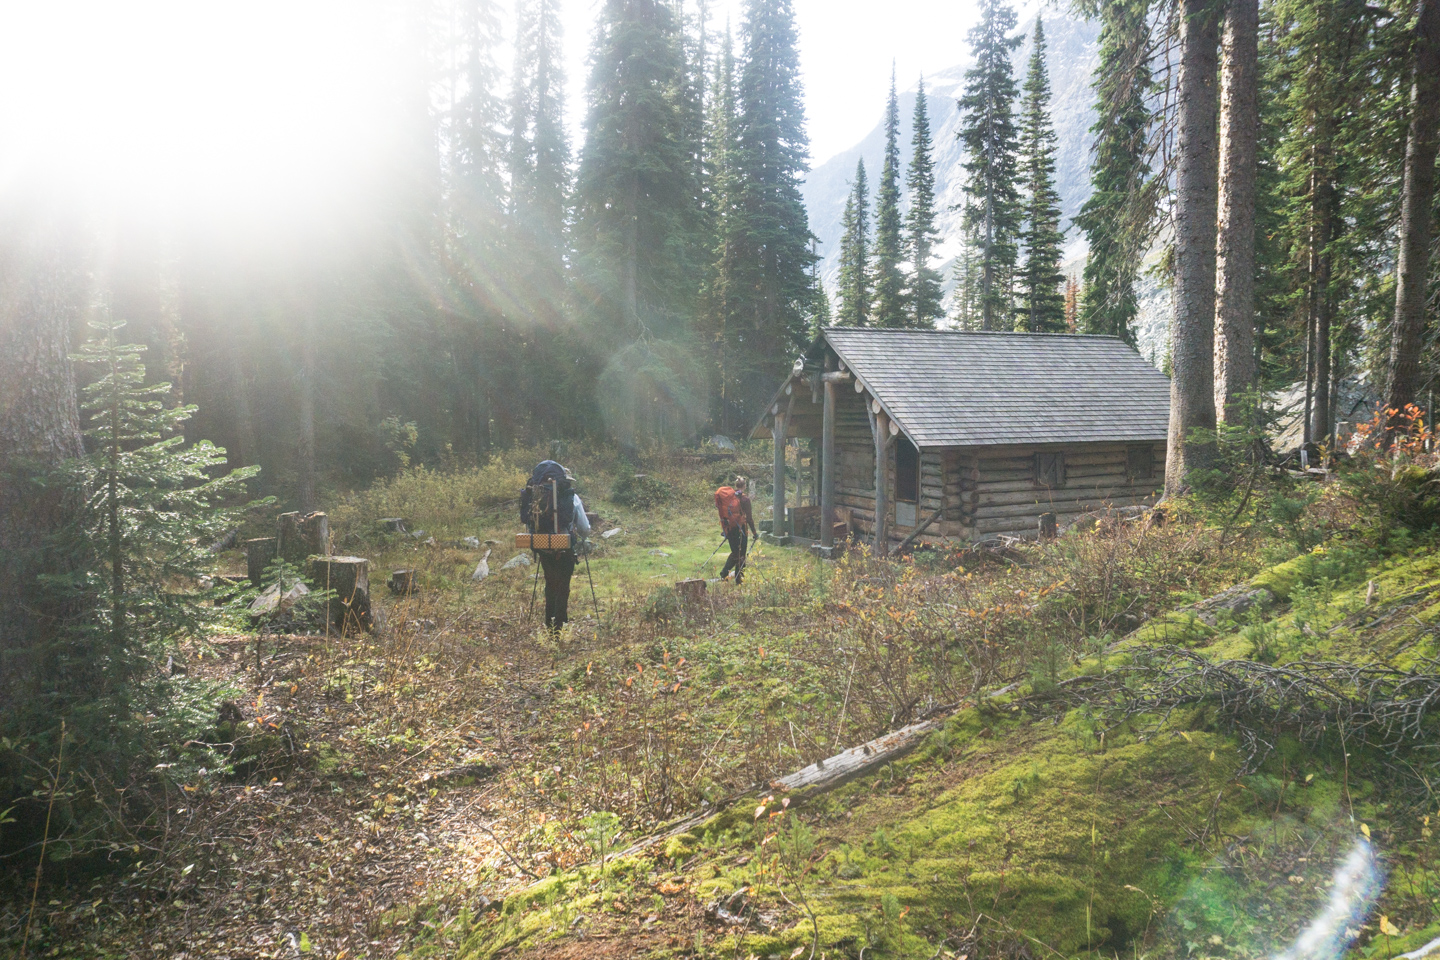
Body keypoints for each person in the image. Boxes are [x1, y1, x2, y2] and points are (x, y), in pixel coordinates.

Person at [519, 460, 591, 633]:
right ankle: (558, 626)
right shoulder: (572, 497)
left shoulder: (537, 496)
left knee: (550, 583)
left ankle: (549, 624)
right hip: (565, 547)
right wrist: (582, 535)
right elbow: (585, 528)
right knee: (563, 585)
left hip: (543, 547)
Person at [715, 476, 758, 584]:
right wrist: (754, 532)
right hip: (741, 529)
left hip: (730, 529)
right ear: (745, 486)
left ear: (735, 485)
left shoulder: (730, 497)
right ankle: (738, 579)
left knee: (735, 553)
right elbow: (749, 518)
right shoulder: (745, 499)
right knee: (741, 554)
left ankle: (725, 574)